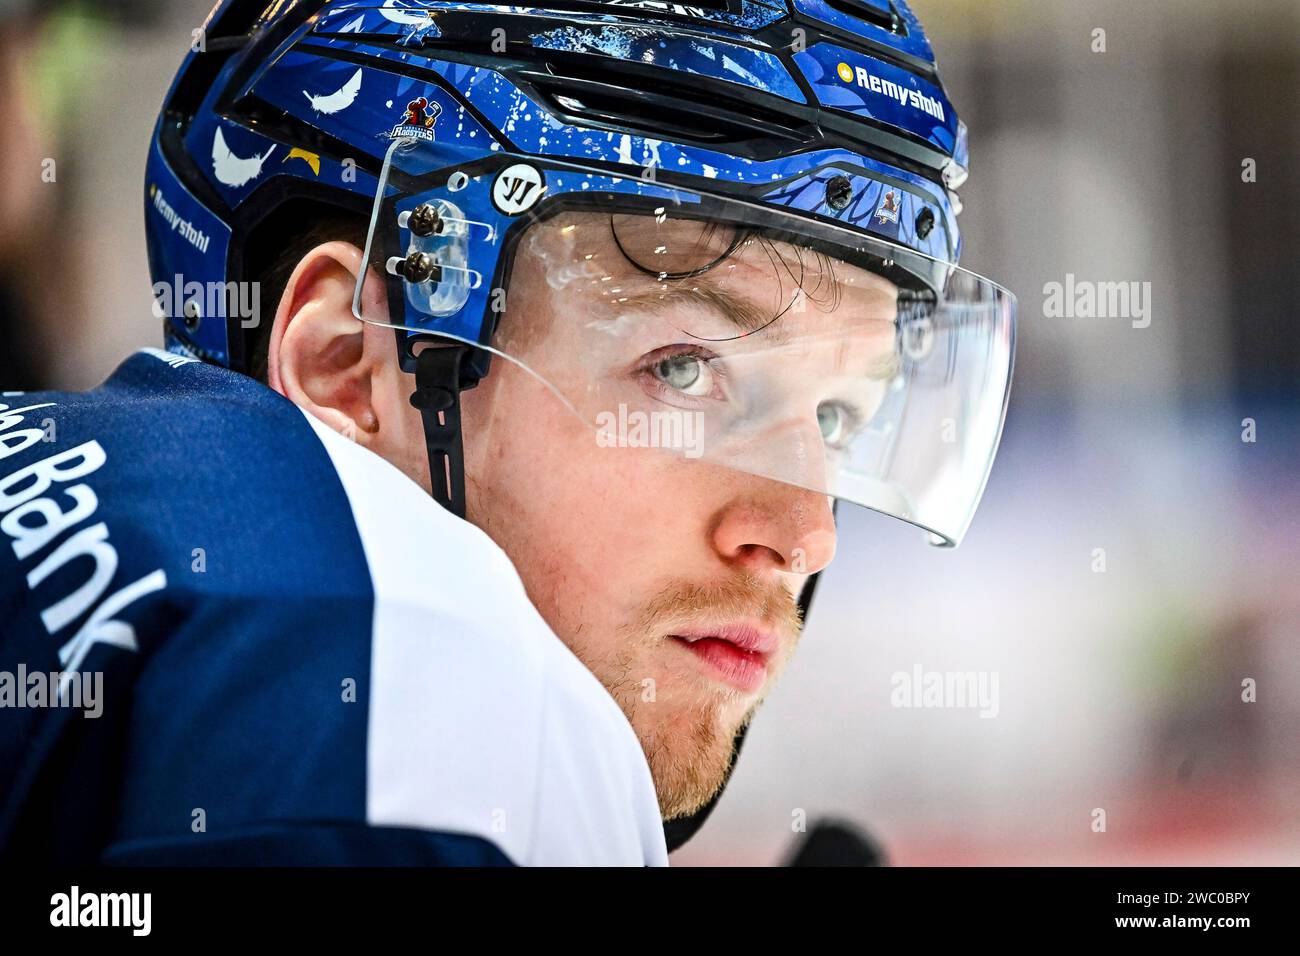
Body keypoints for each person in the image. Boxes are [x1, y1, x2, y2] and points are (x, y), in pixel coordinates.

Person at [0, 0, 1014, 865]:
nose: (803, 532)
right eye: (686, 368)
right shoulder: (439, 687)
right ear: (350, 365)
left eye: (838, 413)